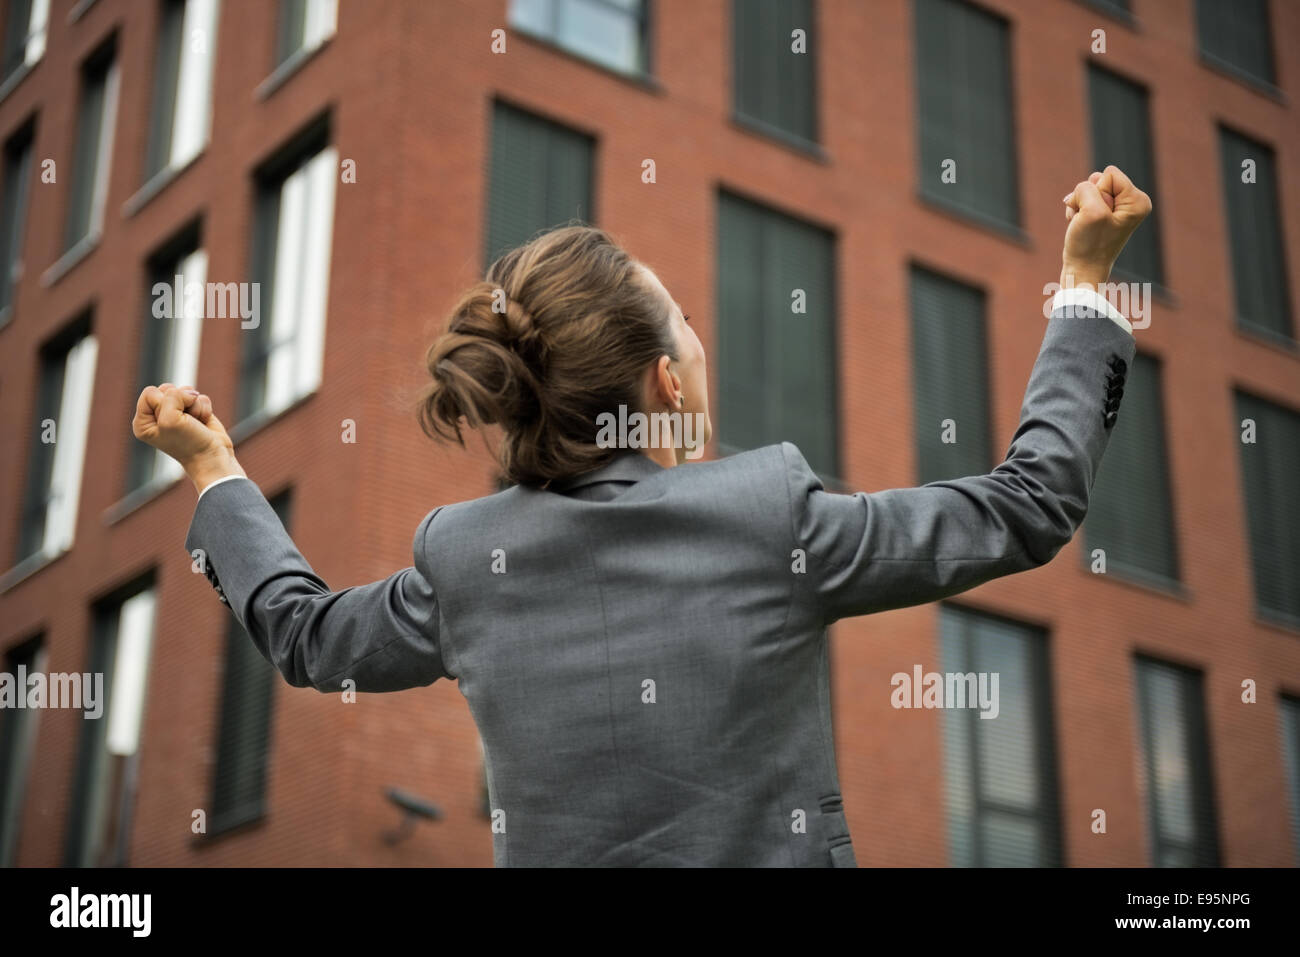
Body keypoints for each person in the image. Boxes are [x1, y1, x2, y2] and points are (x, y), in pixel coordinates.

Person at [132, 165, 1151, 867]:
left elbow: (308, 638)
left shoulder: (464, 555)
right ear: (666, 382)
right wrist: (1082, 286)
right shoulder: (769, 515)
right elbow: (1027, 506)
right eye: (687, 324)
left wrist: (215, 469)